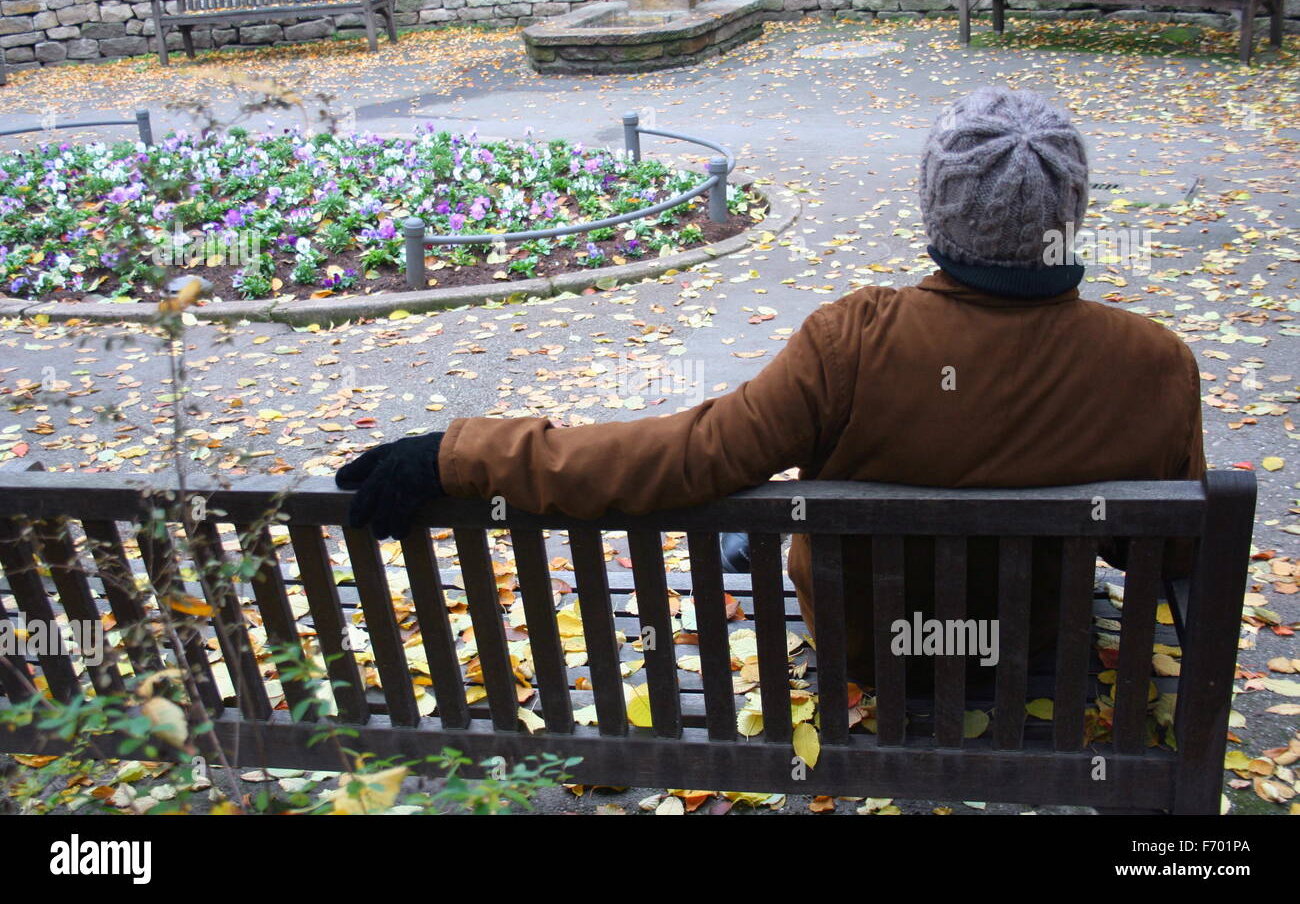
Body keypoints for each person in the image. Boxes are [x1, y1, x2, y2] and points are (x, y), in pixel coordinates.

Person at [337, 87, 1205, 686]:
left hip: (874, 653)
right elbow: (1159, 556)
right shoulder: (1155, 364)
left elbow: (679, 458)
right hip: (1034, 648)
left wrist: (463, 454)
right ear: (1072, 209)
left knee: (756, 526)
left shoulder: (852, 340)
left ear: (938, 207)